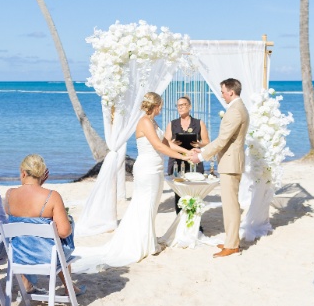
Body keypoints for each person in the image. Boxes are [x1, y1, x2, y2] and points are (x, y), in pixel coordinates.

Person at [72, 92, 191, 271]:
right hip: (147, 169)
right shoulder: (144, 122)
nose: (161, 108)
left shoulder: (153, 122)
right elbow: (158, 146)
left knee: (151, 206)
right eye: (160, 105)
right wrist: (183, 158)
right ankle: (142, 244)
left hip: (156, 168)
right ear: (156, 105)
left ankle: (147, 240)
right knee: (144, 204)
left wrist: (186, 152)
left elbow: (166, 142)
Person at [192, 78, 250, 258]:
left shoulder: (235, 111)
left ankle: (232, 245)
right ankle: (231, 241)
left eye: (223, 92)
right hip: (231, 162)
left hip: (230, 163)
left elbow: (223, 139)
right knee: (230, 204)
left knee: (231, 206)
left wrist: (201, 156)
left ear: (231, 92)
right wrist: (203, 150)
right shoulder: (238, 108)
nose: (222, 95)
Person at [3, 154, 78, 291]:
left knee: (24, 237)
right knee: (65, 230)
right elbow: (64, 232)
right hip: (47, 257)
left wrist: (36, 186)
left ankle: (26, 284)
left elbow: (25, 217)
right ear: (42, 174)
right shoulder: (52, 196)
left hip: (19, 256)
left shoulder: (9, 195)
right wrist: (39, 187)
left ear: (23, 173)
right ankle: (69, 288)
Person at [165, 95, 211, 211]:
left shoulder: (199, 123)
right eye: (178, 105)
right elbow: (165, 143)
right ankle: (180, 217)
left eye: (183, 105)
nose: (180, 107)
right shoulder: (172, 124)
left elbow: (207, 142)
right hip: (177, 160)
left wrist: (199, 144)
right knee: (179, 191)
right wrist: (173, 142)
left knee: (195, 190)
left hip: (194, 159)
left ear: (189, 107)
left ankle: (195, 217)